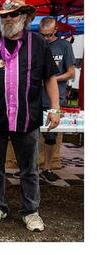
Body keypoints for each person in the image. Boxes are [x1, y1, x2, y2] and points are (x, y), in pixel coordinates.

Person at [0, 0, 61, 232]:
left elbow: (50, 78)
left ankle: (31, 211)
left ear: (24, 17)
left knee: (29, 169)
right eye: (4, 15)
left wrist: (55, 108)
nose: (8, 18)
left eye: (13, 14)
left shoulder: (39, 44)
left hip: (26, 117)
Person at [37, 17, 75, 183]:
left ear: (55, 30)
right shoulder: (37, 44)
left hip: (55, 97)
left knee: (51, 136)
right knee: (32, 135)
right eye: (42, 35)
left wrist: (51, 79)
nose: (45, 38)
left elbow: (71, 72)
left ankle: (47, 167)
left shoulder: (64, 46)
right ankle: (31, 167)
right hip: (36, 97)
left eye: (48, 35)